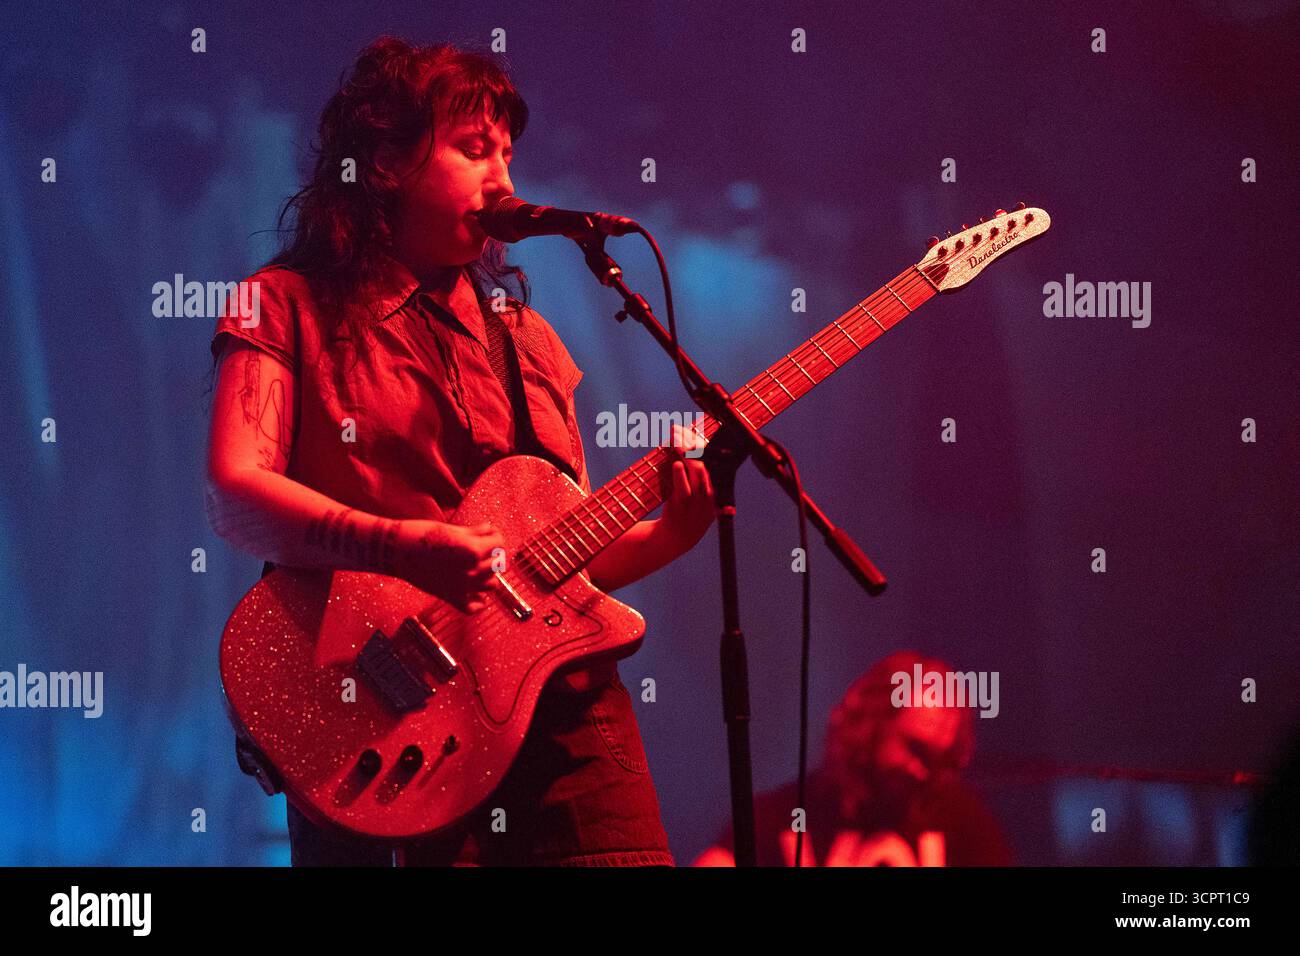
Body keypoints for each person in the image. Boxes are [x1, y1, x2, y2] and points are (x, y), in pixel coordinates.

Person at [205, 36, 716, 866]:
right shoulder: (284, 305)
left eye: (508, 153)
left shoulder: (532, 341)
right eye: (474, 149)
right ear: (383, 163)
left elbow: (552, 561)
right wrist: (408, 547)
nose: (505, 180)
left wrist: (668, 538)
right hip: (387, 724)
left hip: (566, 720)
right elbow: (235, 492)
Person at [694, 651, 1013, 866]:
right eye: (916, 749)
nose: (922, 772)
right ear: (870, 724)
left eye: (940, 759)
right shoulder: (777, 818)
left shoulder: (964, 824)